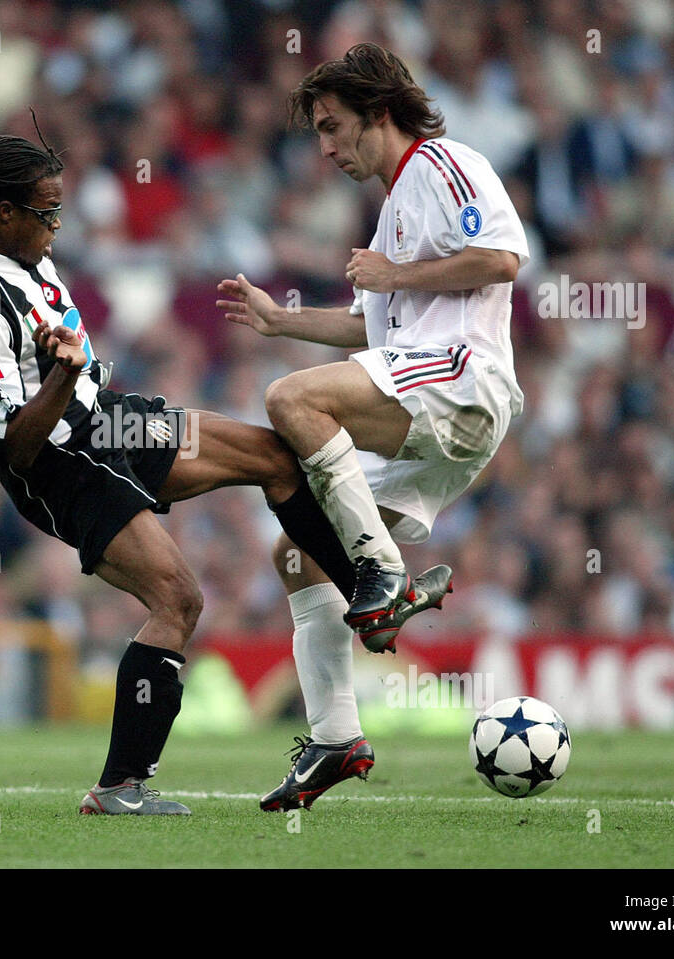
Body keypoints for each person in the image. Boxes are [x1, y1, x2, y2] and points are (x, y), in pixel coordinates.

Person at [0, 105, 361, 816]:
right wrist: (56, 383)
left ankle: (366, 598)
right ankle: (120, 786)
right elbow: (15, 445)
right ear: (2, 213)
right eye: (46, 212)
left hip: (111, 423)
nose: (56, 225)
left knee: (276, 455)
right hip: (63, 466)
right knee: (179, 599)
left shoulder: (13, 252)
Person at [218, 43, 528, 810]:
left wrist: (397, 275)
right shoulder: (393, 209)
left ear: (378, 115)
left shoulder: (444, 164)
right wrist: (279, 319)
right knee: (296, 557)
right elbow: (371, 332)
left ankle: (380, 575)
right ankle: (335, 738)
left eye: (332, 128)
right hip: (424, 398)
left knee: (290, 401)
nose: (324, 148)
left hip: (463, 378)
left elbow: (502, 259)